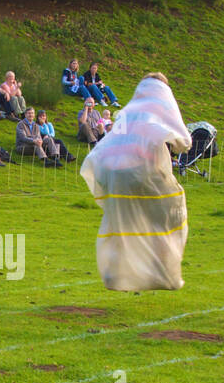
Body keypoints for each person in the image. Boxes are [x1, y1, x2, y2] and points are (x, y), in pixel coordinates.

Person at [80, 73, 191, 290]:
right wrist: (176, 143)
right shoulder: (158, 107)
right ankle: (164, 275)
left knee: (122, 220)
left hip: (109, 170)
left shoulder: (127, 113)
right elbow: (184, 141)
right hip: (140, 170)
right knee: (170, 215)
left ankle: (115, 274)